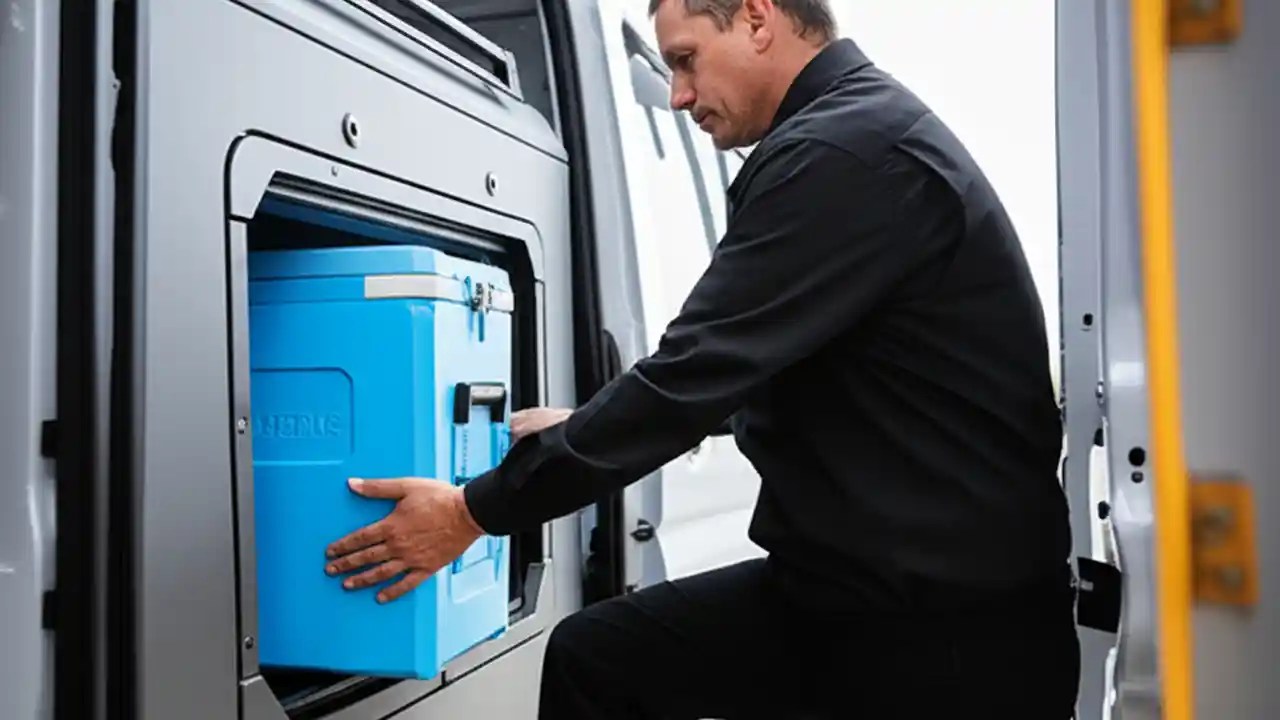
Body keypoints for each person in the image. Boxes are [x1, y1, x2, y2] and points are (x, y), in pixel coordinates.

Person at [322, 0, 1081, 716]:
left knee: (602, 664)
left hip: (939, 638)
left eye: (685, 59)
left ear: (757, 17)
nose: (680, 95)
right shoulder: (857, 134)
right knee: (600, 660)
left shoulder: (844, 154)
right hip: (881, 603)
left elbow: (692, 375)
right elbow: (827, 381)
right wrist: (591, 422)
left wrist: (470, 511)